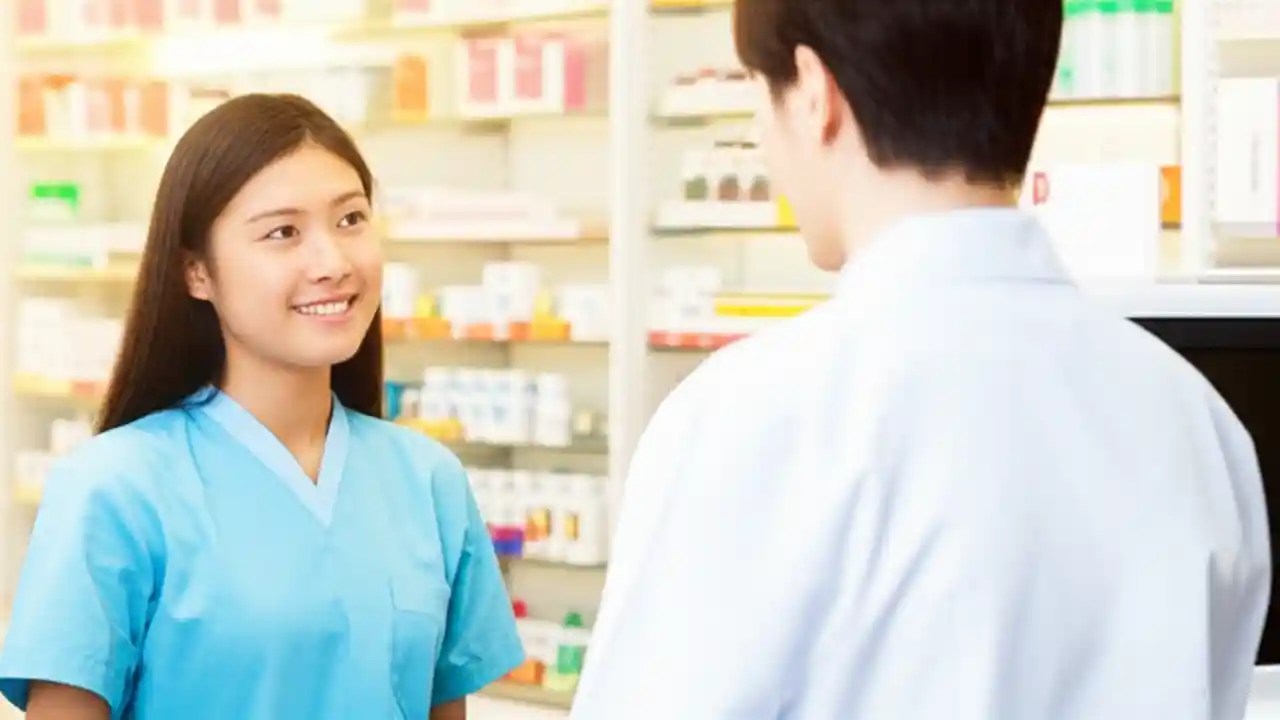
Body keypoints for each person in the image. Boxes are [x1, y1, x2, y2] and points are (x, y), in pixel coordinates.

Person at [572, 1, 1271, 718]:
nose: (759, 133)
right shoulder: (1197, 422)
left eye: (758, 92)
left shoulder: (748, 417)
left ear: (815, 94)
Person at [0, 94, 523, 720]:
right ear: (197, 273)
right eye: (283, 232)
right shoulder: (115, 488)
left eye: (351, 219)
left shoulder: (427, 481)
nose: (331, 262)